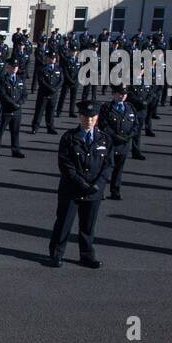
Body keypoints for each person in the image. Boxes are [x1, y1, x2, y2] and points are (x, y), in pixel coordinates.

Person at [47, 100, 112, 269]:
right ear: (79, 116)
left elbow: (108, 165)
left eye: (92, 117)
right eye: (84, 116)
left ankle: (87, 256)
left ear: (97, 118)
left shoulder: (104, 139)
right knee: (63, 224)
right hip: (72, 189)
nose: (88, 120)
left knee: (88, 227)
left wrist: (97, 184)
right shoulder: (69, 137)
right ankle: (56, 255)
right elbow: (65, 165)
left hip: (94, 191)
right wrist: (82, 183)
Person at [98, 84, 138, 200]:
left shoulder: (130, 107)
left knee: (119, 169)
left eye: (124, 94)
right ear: (113, 94)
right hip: (111, 143)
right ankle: (100, 191)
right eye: (119, 94)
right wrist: (115, 136)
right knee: (106, 167)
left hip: (124, 144)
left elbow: (136, 125)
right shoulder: (106, 107)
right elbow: (103, 125)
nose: (122, 96)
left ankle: (115, 191)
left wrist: (129, 136)